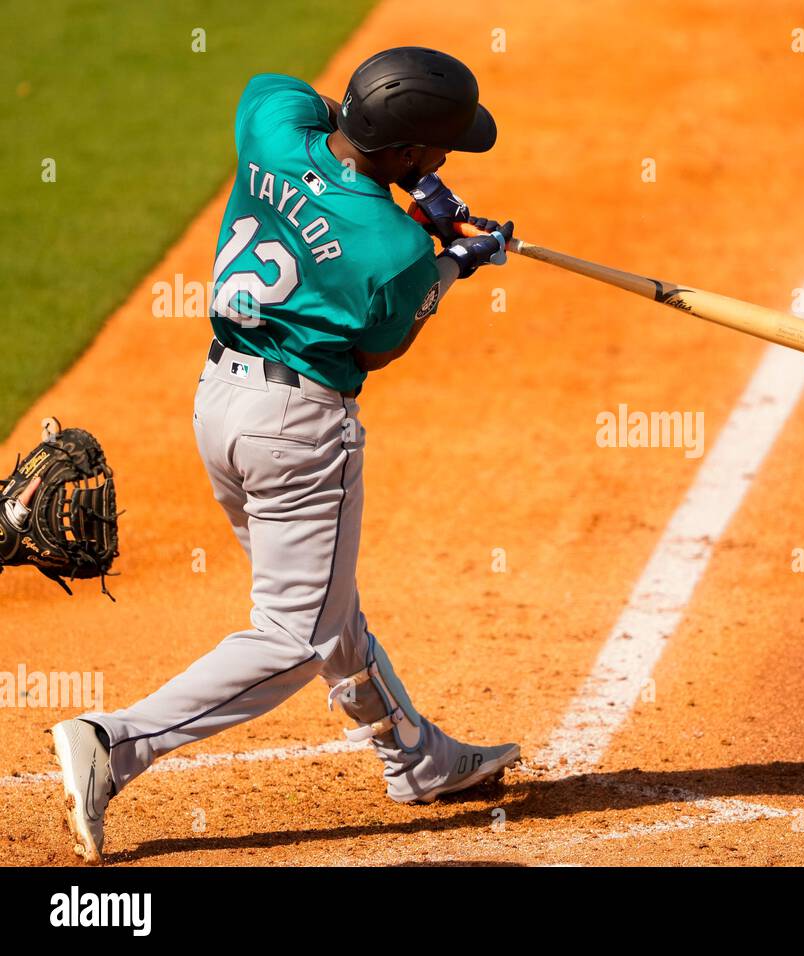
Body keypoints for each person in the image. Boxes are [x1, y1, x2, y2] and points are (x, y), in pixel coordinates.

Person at [49, 46, 519, 865]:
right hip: (299, 434)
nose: (448, 158)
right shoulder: (395, 252)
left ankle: (415, 757)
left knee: (323, 608)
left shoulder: (271, 122)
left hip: (219, 407)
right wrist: (451, 260)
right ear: (410, 151)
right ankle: (113, 743)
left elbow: (313, 112)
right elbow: (378, 346)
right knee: (296, 635)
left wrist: (412, 198)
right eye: (439, 149)